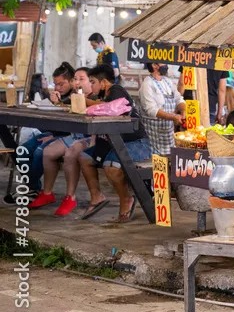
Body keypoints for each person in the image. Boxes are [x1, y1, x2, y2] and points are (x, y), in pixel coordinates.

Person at [76, 64, 150, 223]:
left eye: (93, 81)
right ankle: (97, 197)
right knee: (84, 157)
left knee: (110, 166)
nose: (91, 85)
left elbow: (107, 108)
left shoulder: (117, 91)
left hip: (138, 143)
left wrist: (84, 101)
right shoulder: (102, 95)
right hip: (115, 144)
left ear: (103, 83)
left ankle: (126, 199)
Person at [27, 63, 81, 215]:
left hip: (70, 136)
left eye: (61, 84)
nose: (57, 87)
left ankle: (36, 190)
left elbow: (75, 122)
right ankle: (35, 188)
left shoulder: (81, 97)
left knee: (40, 151)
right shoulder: (61, 96)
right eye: (55, 84)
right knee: (23, 149)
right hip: (55, 133)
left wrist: (58, 104)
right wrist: (52, 103)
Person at [139, 63, 185, 156]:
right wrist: (173, 117)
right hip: (153, 139)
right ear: (154, 65)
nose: (166, 65)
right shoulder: (147, 84)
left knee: (170, 163)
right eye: (163, 63)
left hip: (168, 137)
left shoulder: (167, 81)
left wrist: (183, 111)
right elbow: (151, 110)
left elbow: (179, 99)